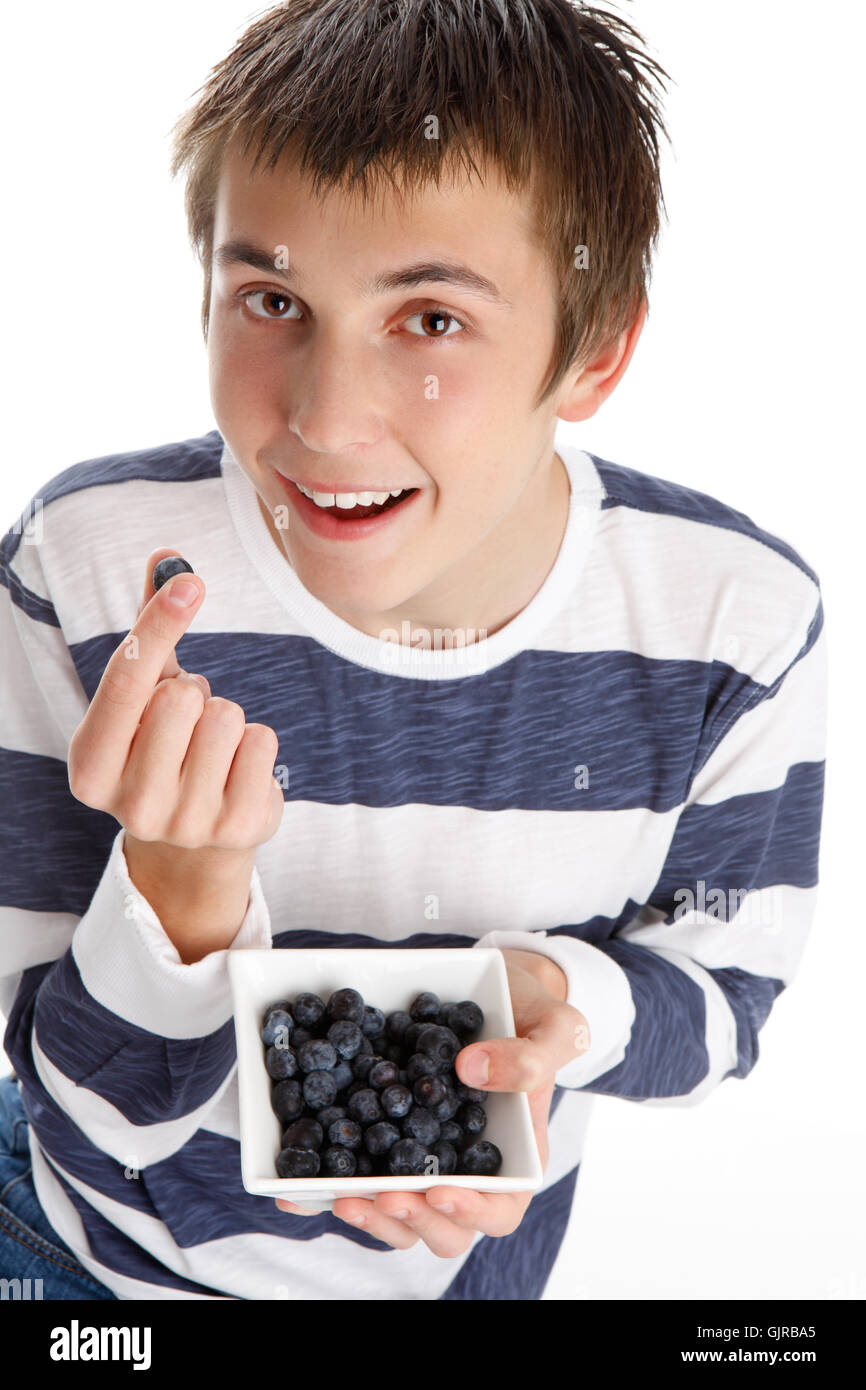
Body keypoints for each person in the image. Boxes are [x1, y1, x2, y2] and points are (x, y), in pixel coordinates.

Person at [0, 0, 826, 1300]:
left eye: (429, 320)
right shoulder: (90, 565)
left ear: (594, 351)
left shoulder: (731, 626)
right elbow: (80, 1100)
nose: (322, 421)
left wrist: (554, 997)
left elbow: (722, 1003)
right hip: (87, 1260)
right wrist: (177, 893)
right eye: (270, 297)